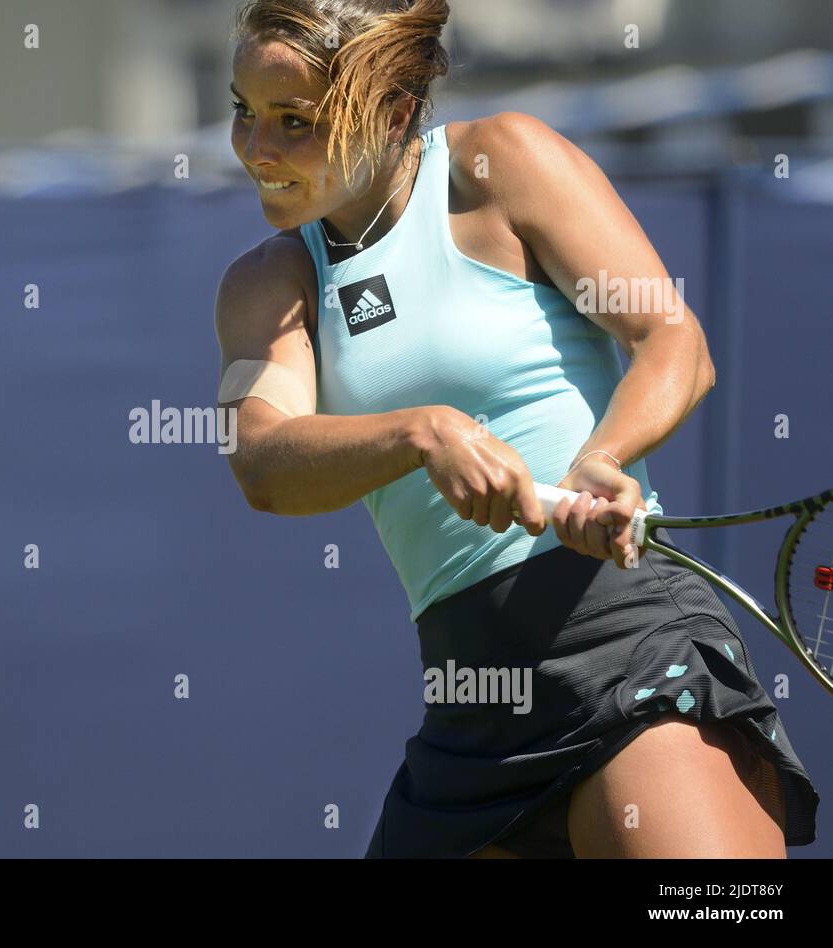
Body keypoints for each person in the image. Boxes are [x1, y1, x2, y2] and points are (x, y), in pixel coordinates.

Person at [214, 0, 817, 857]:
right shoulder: (266, 285)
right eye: (244, 110)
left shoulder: (502, 162)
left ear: (390, 113)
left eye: (294, 121)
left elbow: (672, 339)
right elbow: (263, 463)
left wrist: (602, 459)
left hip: (627, 650)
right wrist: (419, 433)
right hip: (470, 707)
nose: (258, 148)